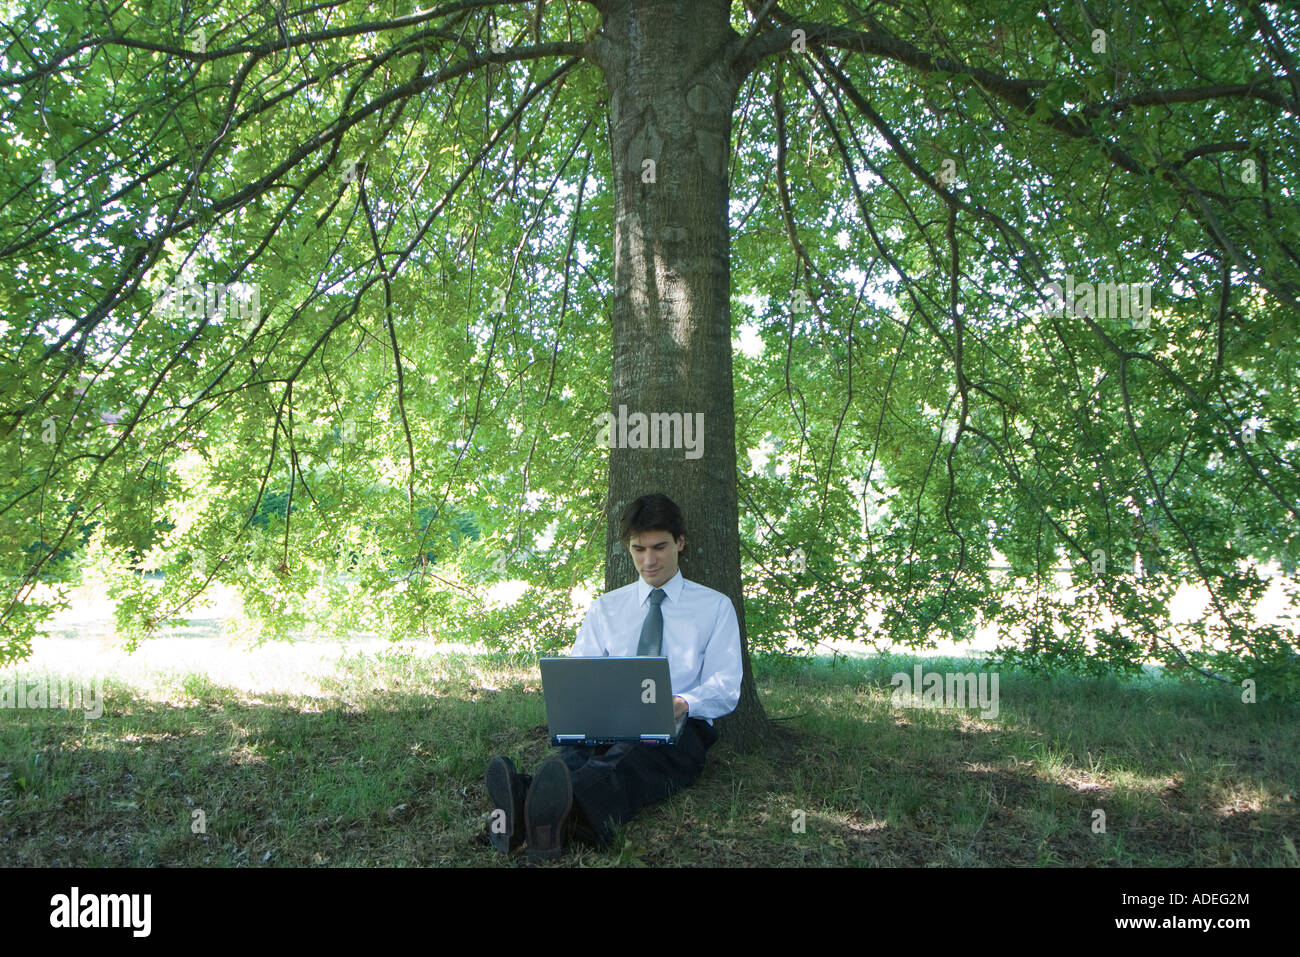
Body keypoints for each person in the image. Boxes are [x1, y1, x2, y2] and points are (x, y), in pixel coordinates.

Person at [484, 492, 742, 861]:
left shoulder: (714, 606)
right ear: (628, 547)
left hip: (682, 726)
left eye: (659, 547)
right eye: (638, 549)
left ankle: (525, 805)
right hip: (607, 719)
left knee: (626, 760)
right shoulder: (606, 608)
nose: (648, 561)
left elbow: (726, 684)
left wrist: (684, 703)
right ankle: (542, 818)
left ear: (680, 543)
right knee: (574, 757)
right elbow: (579, 672)